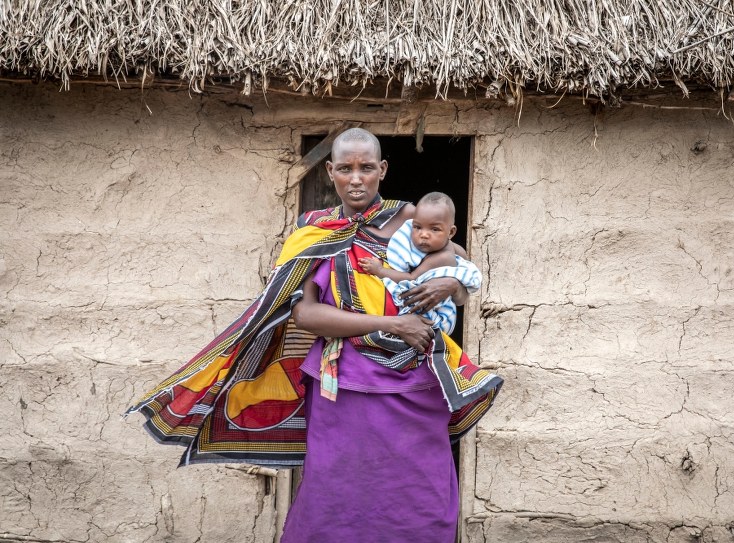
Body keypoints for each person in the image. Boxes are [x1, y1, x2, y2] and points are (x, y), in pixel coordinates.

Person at [125, 128, 502, 543]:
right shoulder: (312, 232)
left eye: (365, 168)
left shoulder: (413, 220)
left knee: (419, 495)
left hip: (417, 382)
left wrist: (451, 287)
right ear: (330, 172)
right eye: (345, 168)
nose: (356, 178)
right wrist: (390, 323)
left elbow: (466, 276)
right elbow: (305, 314)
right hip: (343, 384)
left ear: (383, 170)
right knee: (335, 495)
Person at [358, 191, 481, 335]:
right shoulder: (442, 246)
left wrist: (379, 271)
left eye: (434, 229)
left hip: (437, 319)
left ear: (451, 232)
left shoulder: (443, 257)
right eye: (417, 227)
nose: (423, 234)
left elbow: (412, 278)